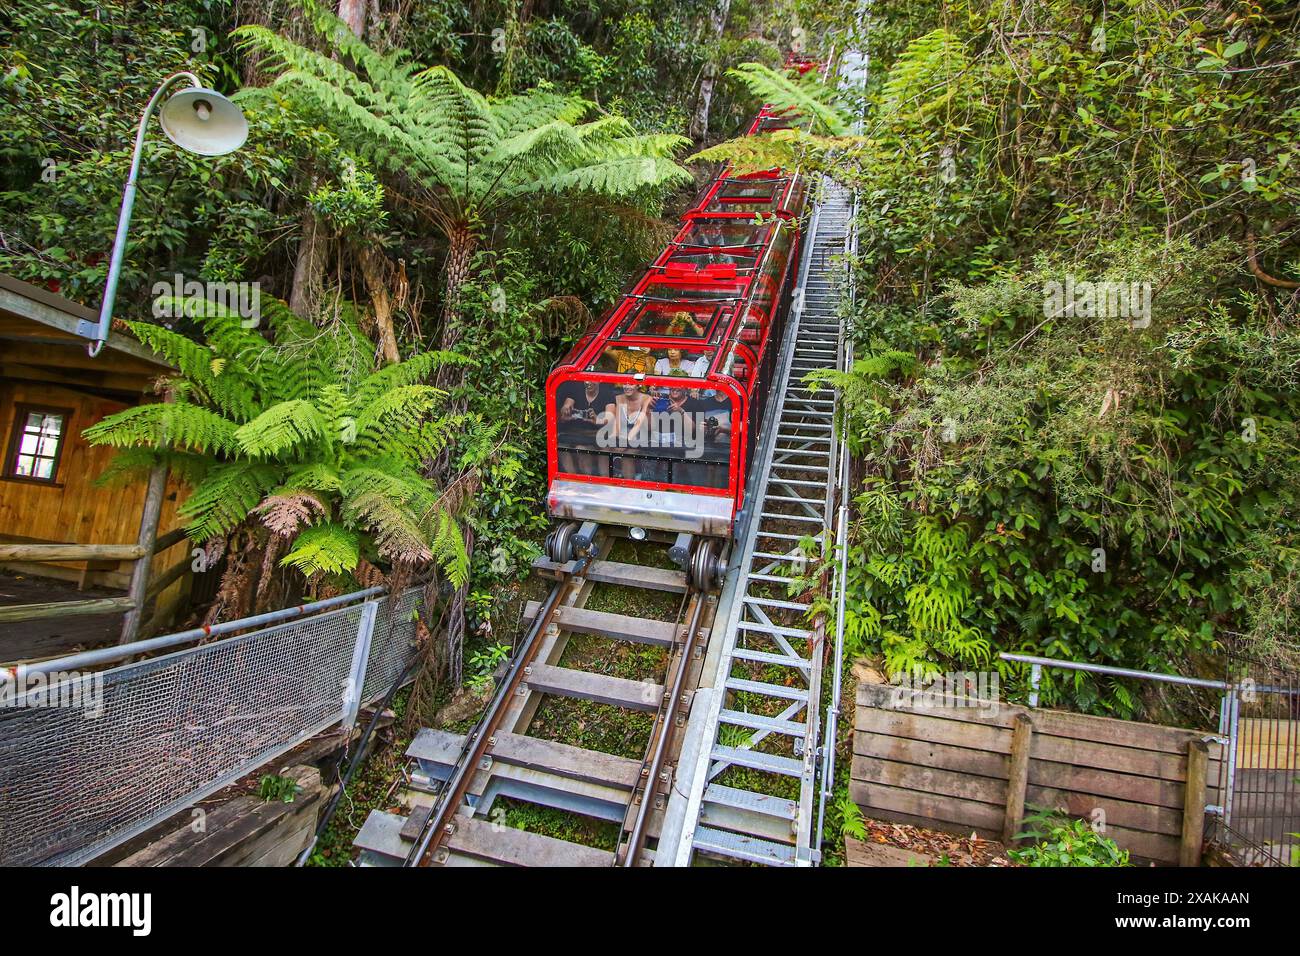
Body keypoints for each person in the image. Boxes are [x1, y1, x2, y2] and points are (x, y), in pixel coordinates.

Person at [556, 378, 613, 476]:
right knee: (562, 446)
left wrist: (597, 420)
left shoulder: (607, 393)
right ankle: (572, 478)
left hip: (597, 434)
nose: (588, 383)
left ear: (599, 380)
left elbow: (610, 417)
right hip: (575, 433)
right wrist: (566, 411)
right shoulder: (576, 390)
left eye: (592, 380)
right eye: (586, 380)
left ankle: (594, 480)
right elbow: (567, 405)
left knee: (584, 448)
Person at [611, 382, 654, 480]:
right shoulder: (619, 398)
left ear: (638, 385)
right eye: (624, 384)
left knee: (627, 456)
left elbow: (639, 423)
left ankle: (629, 488)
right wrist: (615, 441)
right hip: (623, 436)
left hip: (642, 437)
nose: (626, 387)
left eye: (630, 384)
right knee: (604, 452)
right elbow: (617, 423)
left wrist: (625, 443)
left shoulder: (646, 398)